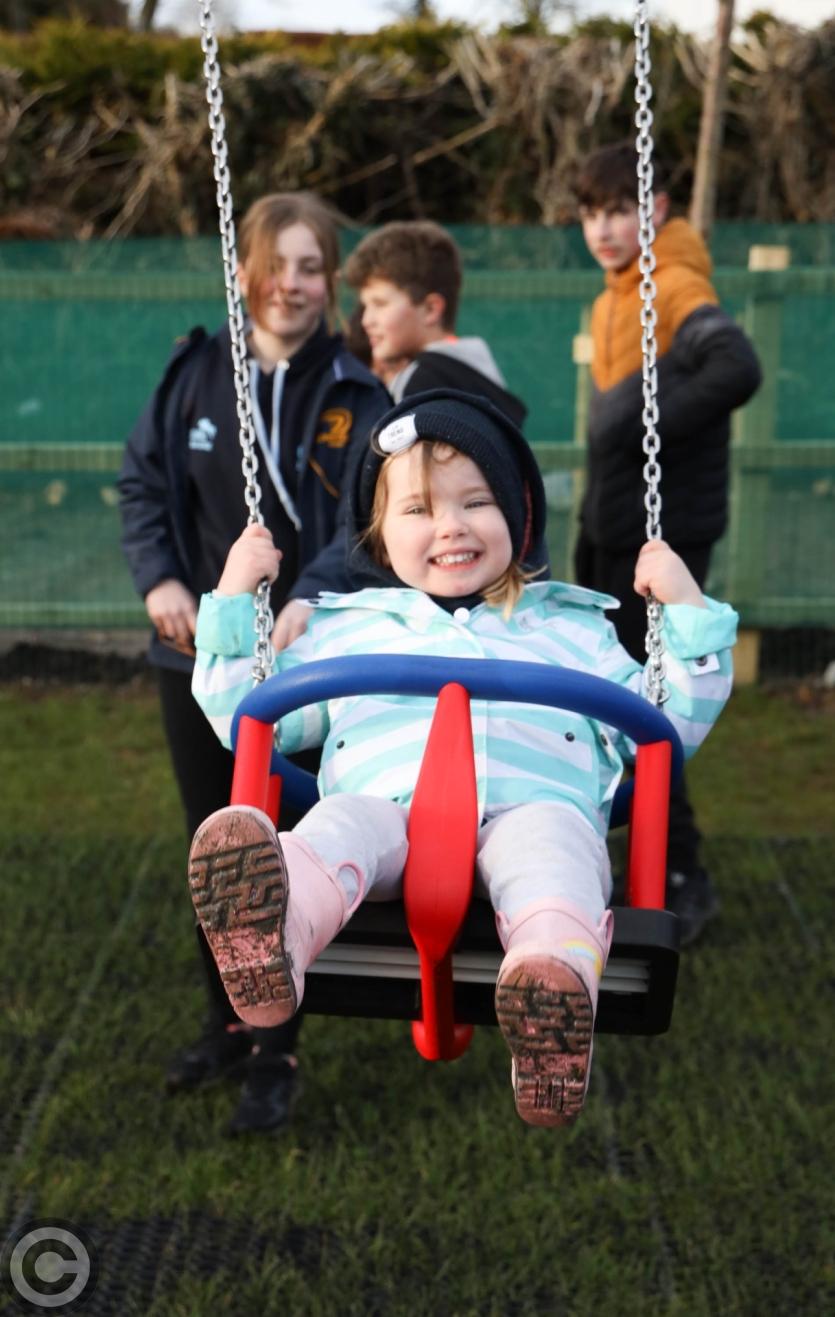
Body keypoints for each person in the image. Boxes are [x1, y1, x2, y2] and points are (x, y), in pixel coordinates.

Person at [187, 390, 738, 1128]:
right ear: (380, 537)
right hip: (389, 818)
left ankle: (550, 989)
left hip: (533, 807)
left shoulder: (573, 628)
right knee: (337, 825)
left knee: (552, 849)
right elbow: (242, 713)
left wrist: (685, 610)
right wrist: (232, 595)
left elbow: (668, 723)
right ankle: (274, 938)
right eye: (417, 510)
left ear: (519, 519)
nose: (450, 526)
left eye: (476, 502)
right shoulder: (347, 629)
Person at [118, 191, 391, 1135]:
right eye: (277, 264)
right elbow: (143, 484)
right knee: (217, 847)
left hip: (317, 672)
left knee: (289, 851)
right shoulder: (196, 374)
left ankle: (279, 1045)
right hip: (195, 652)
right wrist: (161, 580)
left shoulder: (358, 394)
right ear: (245, 273)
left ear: (331, 280)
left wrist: (310, 596)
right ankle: (224, 1025)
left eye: (312, 266)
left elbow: (376, 522)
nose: (292, 284)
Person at [572, 141, 761, 946]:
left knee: (650, 706)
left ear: (656, 209)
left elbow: (734, 367)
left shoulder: (673, 284)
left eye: (620, 209)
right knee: (616, 702)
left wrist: (636, 412)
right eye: (590, 213)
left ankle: (682, 870)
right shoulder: (613, 295)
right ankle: (633, 852)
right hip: (614, 530)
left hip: (663, 544)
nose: (604, 227)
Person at [344, 221, 527, 425]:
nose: (366, 320)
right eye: (365, 306)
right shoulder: (482, 373)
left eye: (380, 304)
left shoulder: (418, 387)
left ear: (431, 309)